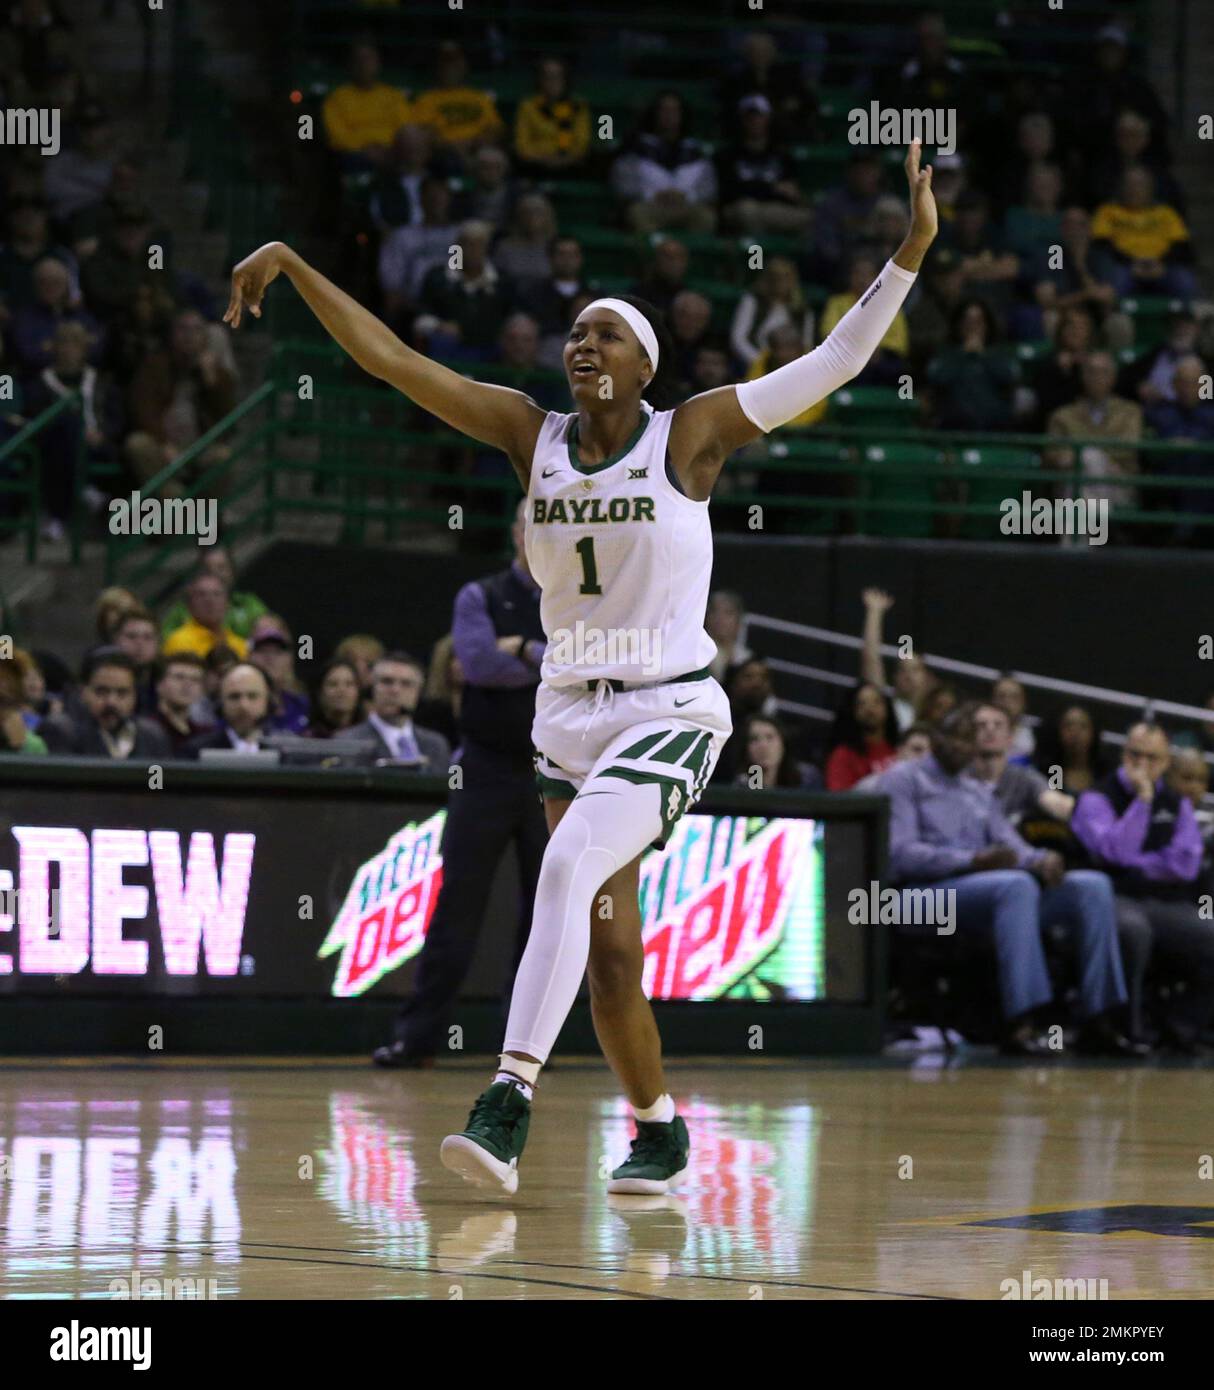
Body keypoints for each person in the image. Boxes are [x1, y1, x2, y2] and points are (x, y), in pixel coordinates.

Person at [226, 138, 938, 1198]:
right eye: (572, 331)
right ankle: (656, 1128)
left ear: (645, 364)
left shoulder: (689, 435)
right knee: (607, 960)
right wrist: (289, 258)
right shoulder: (532, 434)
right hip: (564, 721)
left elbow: (833, 361)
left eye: (604, 331)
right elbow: (391, 360)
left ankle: (506, 1097)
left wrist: (909, 252)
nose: (580, 343)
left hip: (670, 709)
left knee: (557, 876)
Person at [374, 500, 549, 1068]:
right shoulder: (481, 595)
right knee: (457, 908)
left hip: (554, 772)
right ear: (514, 531)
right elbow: (475, 664)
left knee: (544, 916)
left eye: (549, 523)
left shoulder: (577, 600)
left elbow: (587, 666)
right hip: (486, 768)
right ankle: (416, 1036)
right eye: (529, 521)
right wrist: (549, 659)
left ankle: (521, 1051)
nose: (536, 532)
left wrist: (522, 648)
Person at [884, 704, 1139, 1057]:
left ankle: (1100, 1018)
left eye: (968, 740)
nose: (961, 746)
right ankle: (1022, 1022)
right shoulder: (904, 779)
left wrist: (1041, 859)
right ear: (934, 736)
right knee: (1014, 886)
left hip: (985, 891)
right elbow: (899, 854)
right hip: (915, 898)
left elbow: (1011, 844)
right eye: (953, 737)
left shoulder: (975, 788)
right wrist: (971, 860)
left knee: (1091, 886)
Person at [1071, 722, 1214, 1052]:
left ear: (1165, 763)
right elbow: (1114, 853)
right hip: (1113, 898)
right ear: (1124, 754)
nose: (1142, 765)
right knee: (1132, 931)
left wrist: (1138, 864)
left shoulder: (1177, 804)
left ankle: (1180, 1029)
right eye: (1135, 755)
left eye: (1153, 757)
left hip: (1167, 903)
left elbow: (1185, 864)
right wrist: (1143, 803)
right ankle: (1126, 1030)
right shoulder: (1096, 798)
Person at [40, 648, 171, 760]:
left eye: (122, 693)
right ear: (83, 692)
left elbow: (159, 786)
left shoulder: (152, 736)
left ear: (135, 696)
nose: (111, 702)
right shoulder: (62, 731)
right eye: (101, 691)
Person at [346, 651, 451, 771]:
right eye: (387, 681)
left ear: (418, 692)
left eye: (406, 684)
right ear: (372, 687)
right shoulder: (349, 743)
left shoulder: (437, 745)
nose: (395, 690)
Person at [321, 39, 411, 173]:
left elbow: (405, 129)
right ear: (350, 64)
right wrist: (366, 149)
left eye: (369, 59)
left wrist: (387, 149)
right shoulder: (336, 99)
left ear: (378, 63)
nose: (364, 64)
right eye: (359, 59)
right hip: (356, 155)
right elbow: (337, 137)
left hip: (392, 152)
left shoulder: (393, 96)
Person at [859, 587, 936, 731]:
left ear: (928, 677)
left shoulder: (939, 712)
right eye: (902, 670)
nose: (908, 675)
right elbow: (871, 662)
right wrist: (875, 612)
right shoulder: (889, 708)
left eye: (915, 670)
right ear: (895, 678)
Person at [160, 546, 268, 641]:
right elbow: (167, 642)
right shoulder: (181, 610)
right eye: (208, 568)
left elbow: (269, 633)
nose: (214, 573)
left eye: (221, 568)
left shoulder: (248, 603)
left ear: (232, 572)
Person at [512, 58, 590, 179]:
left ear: (565, 79)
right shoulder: (527, 106)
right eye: (547, 76)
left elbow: (581, 143)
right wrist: (544, 159)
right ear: (539, 79)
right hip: (534, 165)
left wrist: (564, 160)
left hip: (570, 164)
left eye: (557, 76)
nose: (552, 81)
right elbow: (522, 145)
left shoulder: (578, 105)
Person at [187, 662, 276, 756]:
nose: (243, 705)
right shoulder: (196, 752)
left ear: (268, 701)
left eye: (252, 696)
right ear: (220, 703)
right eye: (234, 697)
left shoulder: (286, 754)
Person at [825, 682, 898, 791]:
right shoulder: (843, 755)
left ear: (887, 708)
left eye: (876, 702)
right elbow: (839, 801)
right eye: (862, 704)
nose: (870, 709)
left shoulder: (900, 748)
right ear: (853, 711)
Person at [162, 572, 249, 659]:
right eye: (201, 594)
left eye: (217, 594)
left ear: (228, 603)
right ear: (189, 604)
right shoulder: (179, 642)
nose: (209, 600)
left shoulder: (240, 645)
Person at [734, 713, 821, 790]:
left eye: (770, 737)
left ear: (783, 743)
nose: (763, 746)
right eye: (754, 739)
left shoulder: (807, 778)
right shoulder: (742, 785)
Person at [150, 652, 212, 757]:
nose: (187, 684)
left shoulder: (206, 734)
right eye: (179, 677)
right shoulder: (146, 731)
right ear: (159, 685)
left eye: (195, 679)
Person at [305, 658, 363, 738]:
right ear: (320, 693)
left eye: (349, 684)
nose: (341, 690)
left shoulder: (371, 737)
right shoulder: (306, 737)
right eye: (333, 684)